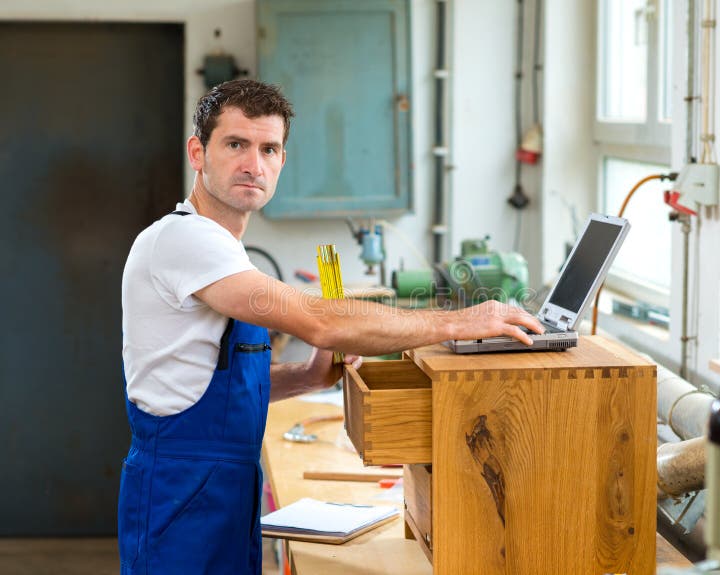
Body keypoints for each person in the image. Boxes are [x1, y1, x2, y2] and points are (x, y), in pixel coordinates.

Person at [118, 79, 542, 574]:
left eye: (269, 148)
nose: (253, 164)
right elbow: (319, 319)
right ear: (198, 152)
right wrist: (462, 321)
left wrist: (308, 377)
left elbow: (198, 382)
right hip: (180, 493)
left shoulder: (224, 250)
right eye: (236, 144)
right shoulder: (183, 241)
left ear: (282, 161)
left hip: (221, 490)